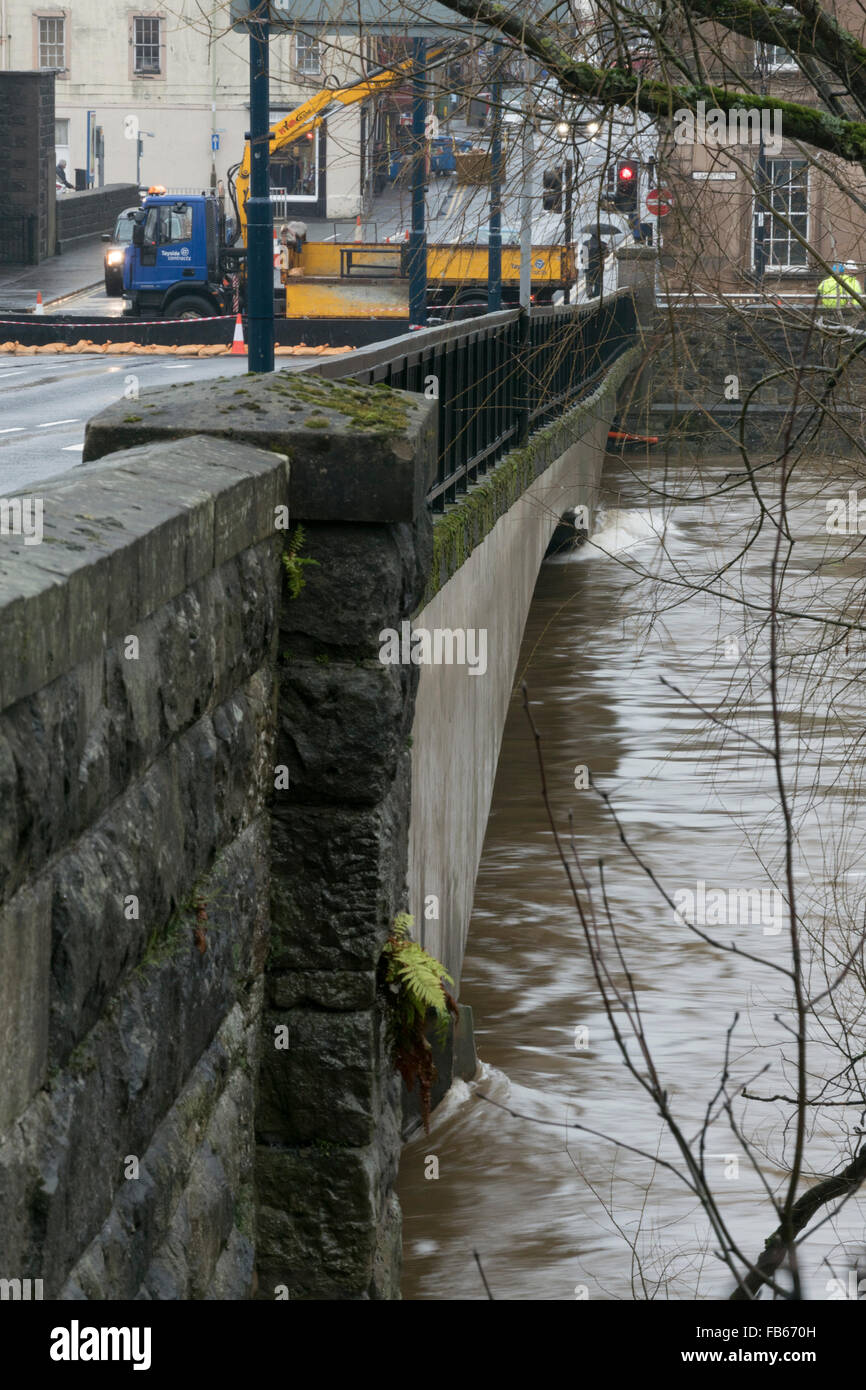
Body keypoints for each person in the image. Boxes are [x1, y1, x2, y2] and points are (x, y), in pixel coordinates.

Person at [585, 231, 610, 299]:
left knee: (589, 282)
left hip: (588, 266)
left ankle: (589, 296)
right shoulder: (603, 244)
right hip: (599, 266)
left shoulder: (586, 244)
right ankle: (597, 297)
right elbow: (607, 254)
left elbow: (583, 257)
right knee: (598, 283)